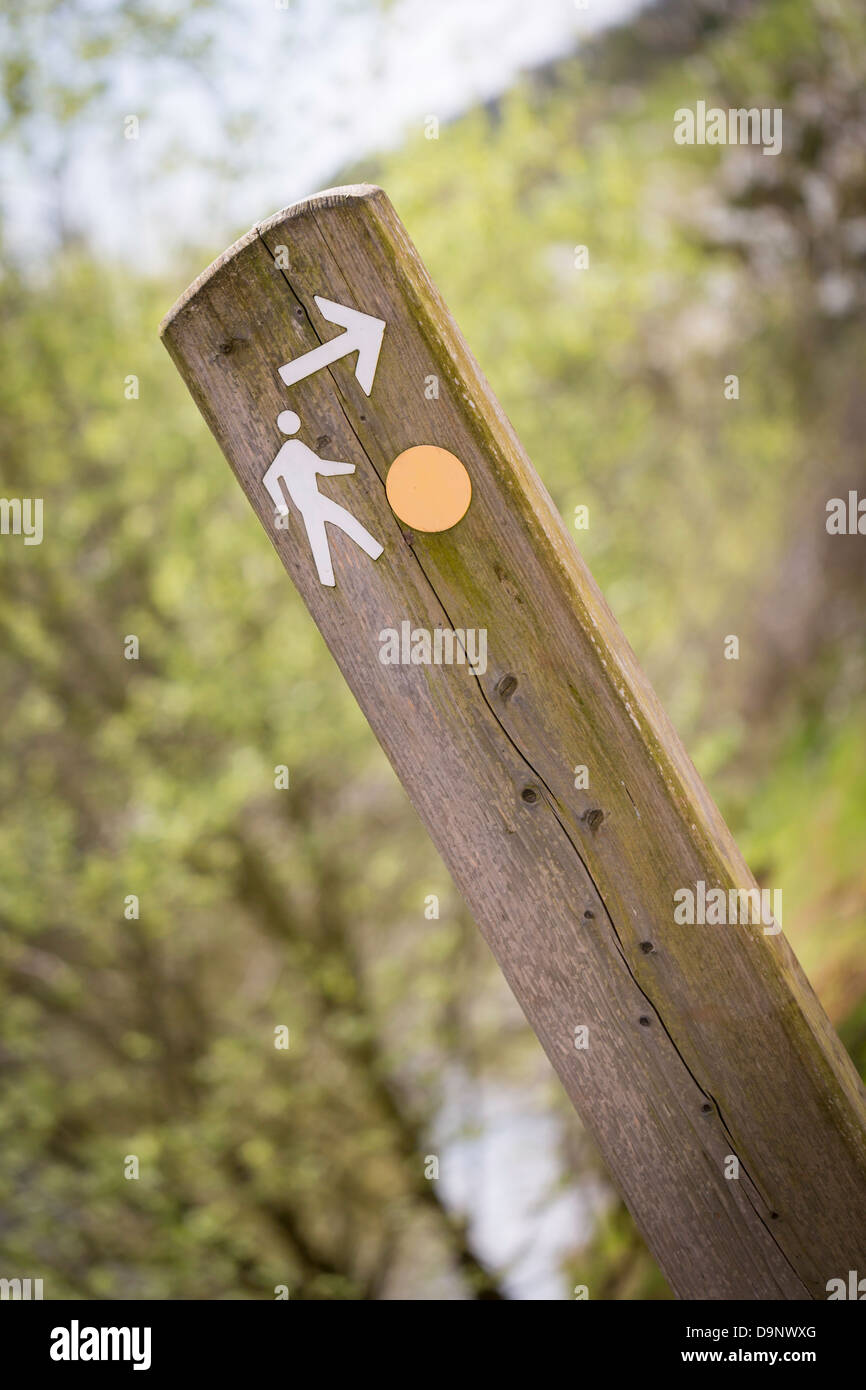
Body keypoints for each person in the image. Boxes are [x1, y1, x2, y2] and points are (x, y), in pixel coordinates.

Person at [262, 411, 384, 587]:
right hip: (310, 501)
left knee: (321, 535)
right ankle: (371, 551)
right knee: (341, 520)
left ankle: (329, 579)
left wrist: (351, 468)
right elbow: (269, 478)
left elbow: (322, 467)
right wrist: (281, 507)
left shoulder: (297, 446)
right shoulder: (289, 449)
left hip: (311, 501)